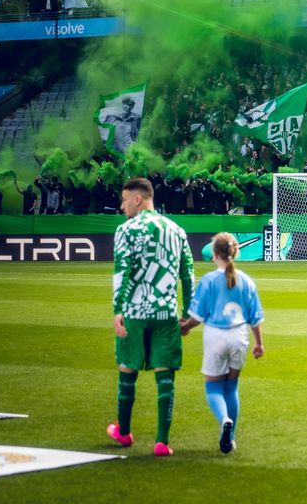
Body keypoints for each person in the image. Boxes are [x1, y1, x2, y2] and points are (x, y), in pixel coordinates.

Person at [107, 177, 195, 457]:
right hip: (166, 312)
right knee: (165, 375)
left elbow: (123, 268)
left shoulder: (126, 230)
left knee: (127, 370)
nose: (121, 207)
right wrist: (188, 313)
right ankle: (161, 441)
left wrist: (117, 309)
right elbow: (188, 274)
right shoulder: (176, 230)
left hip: (134, 311)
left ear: (137, 199)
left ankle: (123, 432)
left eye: (124, 200)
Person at [181, 234, 265, 454]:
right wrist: (259, 344)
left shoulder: (209, 280)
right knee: (231, 388)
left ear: (214, 254)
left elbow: (197, 316)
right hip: (239, 336)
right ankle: (231, 436)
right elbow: (255, 317)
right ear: (235, 252)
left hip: (216, 335)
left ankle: (224, 420)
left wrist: (185, 327)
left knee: (213, 387)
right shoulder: (246, 280)